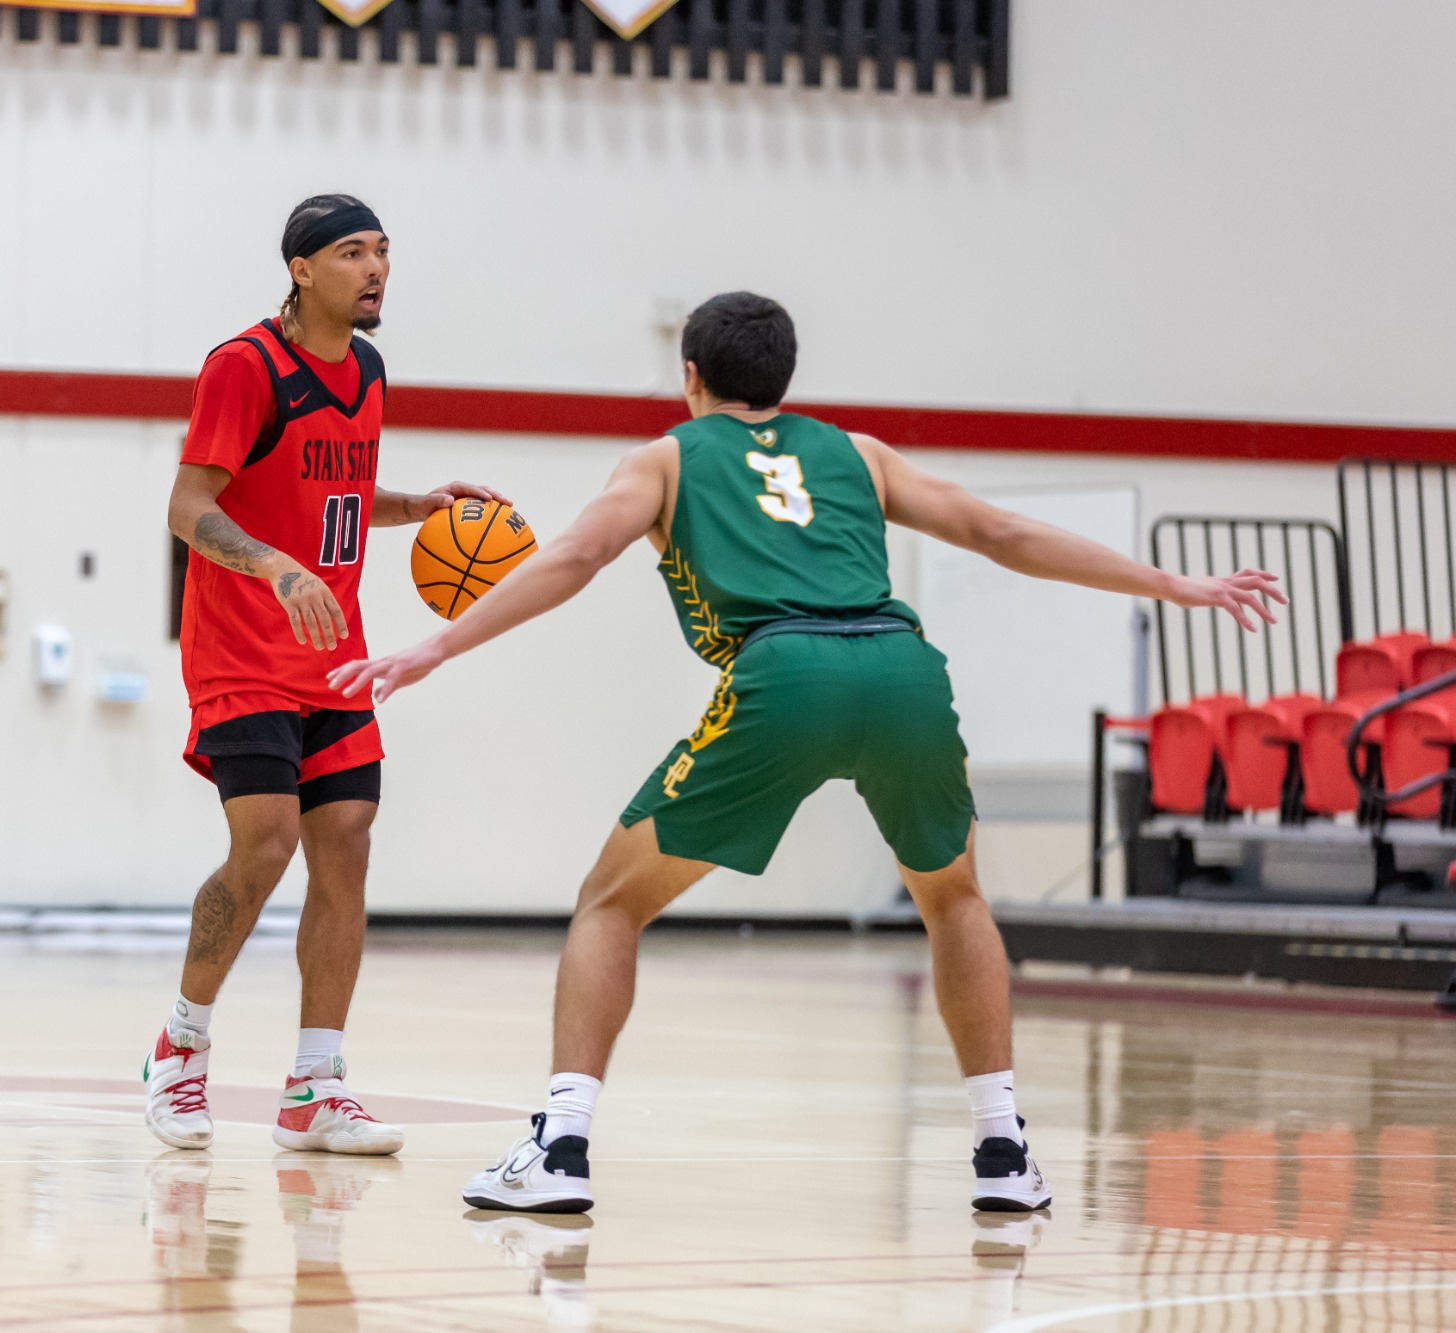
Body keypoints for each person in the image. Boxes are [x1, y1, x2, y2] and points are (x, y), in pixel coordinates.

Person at [329, 292, 1282, 1211]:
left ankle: (561, 1146)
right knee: (954, 897)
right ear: (784, 376)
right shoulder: (858, 454)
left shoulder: (662, 460)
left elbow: (576, 557)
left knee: (610, 904)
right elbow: (999, 531)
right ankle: (1003, 1150)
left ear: (690, 375)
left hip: (784, 675)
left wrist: (435, 646)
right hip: (903, 670)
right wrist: (1174, 584)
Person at [147, 193, 507, 1158]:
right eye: (353, 252)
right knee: (263, 847)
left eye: (384, 251)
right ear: (302, 269)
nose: (376, 268)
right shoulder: (244, 366)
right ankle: (180, 1047)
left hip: (333, 652)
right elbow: (189, 507)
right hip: (241, 649)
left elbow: (336, 498)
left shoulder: (369, 370)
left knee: (345, 842)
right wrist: (275, 565)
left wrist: (418, 505)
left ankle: (314, 1084)